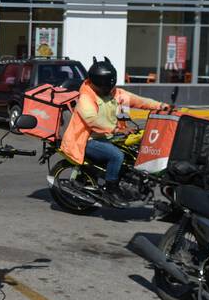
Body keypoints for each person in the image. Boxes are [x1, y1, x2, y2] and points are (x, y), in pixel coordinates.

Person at [59, 56, 169, 207]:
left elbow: (139, 101)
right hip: (85, 139)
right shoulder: (86, 97)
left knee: (134, 147)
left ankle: (128, 182)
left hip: (106, 136)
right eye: (106, 86)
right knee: (117, 155)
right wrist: (116, 128)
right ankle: (111, 190)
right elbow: (92, 120)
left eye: (111, 85)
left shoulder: (115, 93)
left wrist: (161, 106)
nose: (110, 89)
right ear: (97, 83)